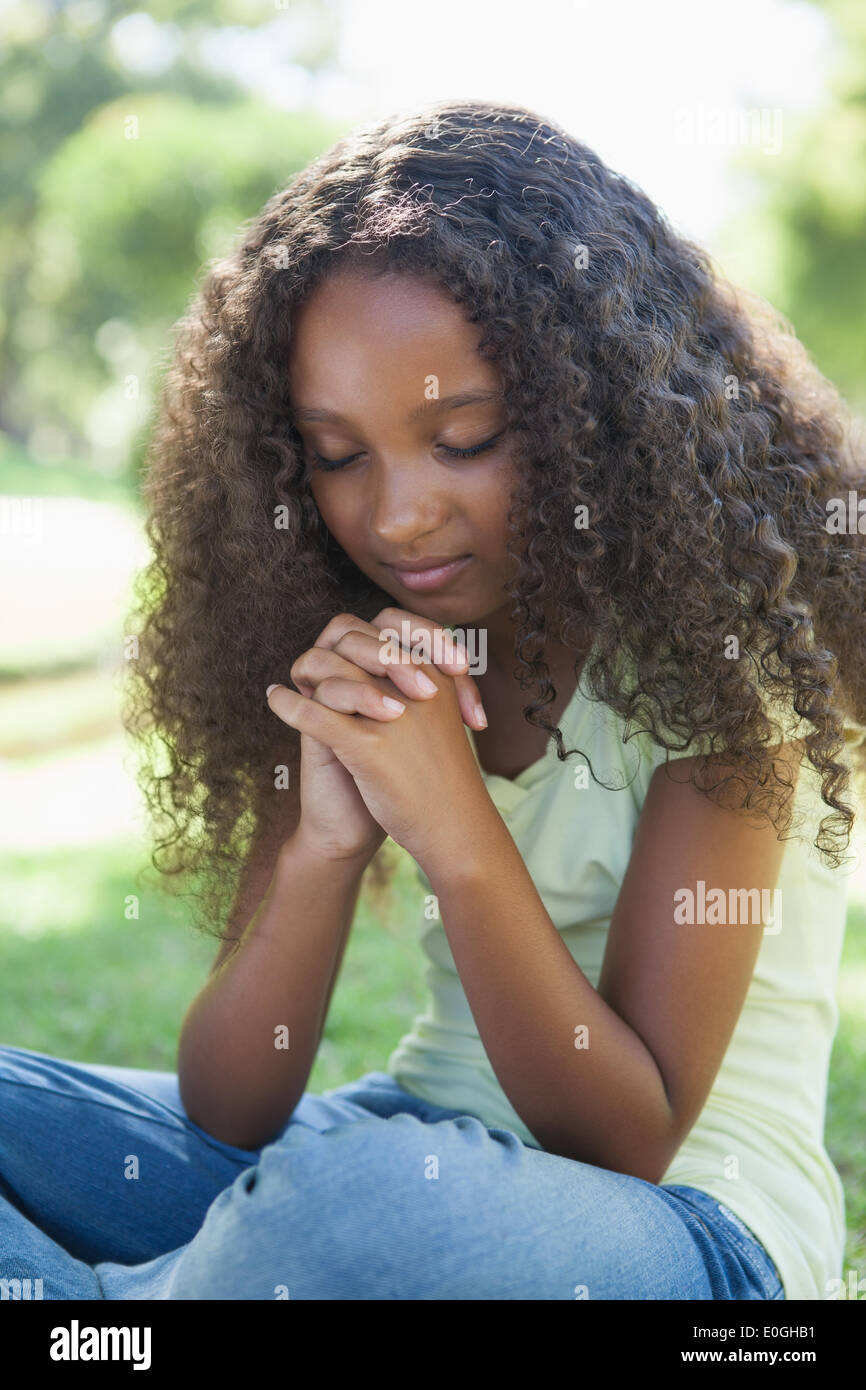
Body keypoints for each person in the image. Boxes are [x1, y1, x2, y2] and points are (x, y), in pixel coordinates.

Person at [2, 99, 864, 1301]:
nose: (396, 514)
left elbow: (627, 1135)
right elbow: (234, 1106)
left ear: (590, 420)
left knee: (351, 1208)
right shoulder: (359, 647)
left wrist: (454, 826)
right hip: (401, 1146)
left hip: (686, 1230)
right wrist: (320, 847)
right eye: (339, 456)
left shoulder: (719, 668)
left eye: (460, 439)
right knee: (312, 1180)